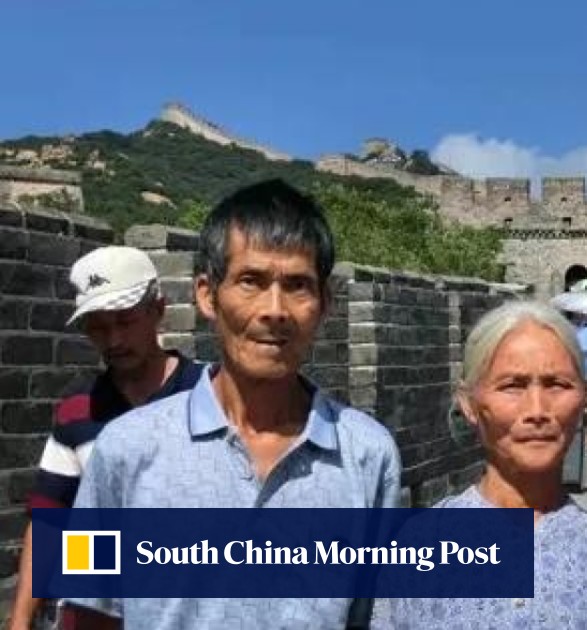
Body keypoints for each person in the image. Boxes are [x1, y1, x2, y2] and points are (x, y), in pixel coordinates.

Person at [64, 179, 402, 629]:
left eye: (298, 285)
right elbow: (87, 609)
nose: (275, 309)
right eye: (251, 281)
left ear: (325, 304)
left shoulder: (367, 455)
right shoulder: (122, 449)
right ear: (207, 294)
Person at [374, 301, 587, 628]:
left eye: (557, 384)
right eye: (512, 385)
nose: (537, 410)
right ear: (469, 404)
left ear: (582, 397)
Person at [8, 247, 205, 630]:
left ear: (158, 310)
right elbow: (50, 519)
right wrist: (19, 621)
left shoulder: (213, 397)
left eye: (125, 320)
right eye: (98, 326)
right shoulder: (78, 410)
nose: (113, 338)